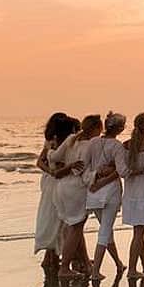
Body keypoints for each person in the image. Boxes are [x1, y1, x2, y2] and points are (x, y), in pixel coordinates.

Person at [85, 111, 129, 281]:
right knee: (105, 231)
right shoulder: (117, 146)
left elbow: (85, 165)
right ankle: (95, 271)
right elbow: (123, 171)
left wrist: (96, 178)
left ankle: (118, 263)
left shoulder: (94, 142)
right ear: (118, 128)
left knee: (106, 230)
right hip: (110, 193)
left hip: (94, 193)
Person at [54, 114, 96, 277]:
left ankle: (83, 262)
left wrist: (66, 165)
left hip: (63, 186)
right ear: (95, 129)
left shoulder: (71, 139)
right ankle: (64, 267)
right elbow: (82, 170)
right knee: (76, 228)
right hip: (76, 188)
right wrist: (97, 176)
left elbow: (55, 156)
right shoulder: (89, 145)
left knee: (73, 227)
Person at [121, 112, 144, 278]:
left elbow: (123, 170)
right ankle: (131, 269)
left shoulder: (125, 146)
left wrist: (135, 171)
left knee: (138, 230)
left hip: (130, 194)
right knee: (138, 233)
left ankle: (143, 261)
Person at [33, 112, 68, 272]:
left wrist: (49, 171)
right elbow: (40, 162)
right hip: (53, 181)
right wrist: (52, 171)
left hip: (49, 179)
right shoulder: (58, 141)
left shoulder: (51, 140)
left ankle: (52, 255)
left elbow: (40, 162)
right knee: (56, 216)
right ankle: (52, 256)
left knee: (54, 216)